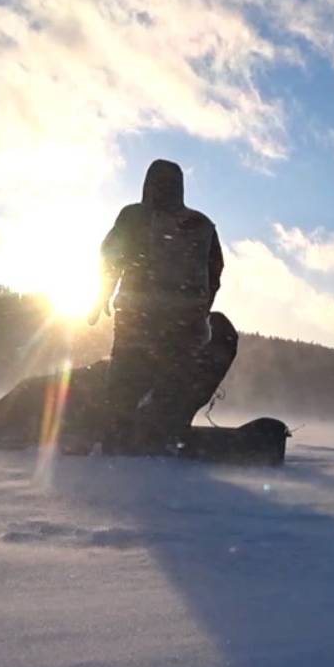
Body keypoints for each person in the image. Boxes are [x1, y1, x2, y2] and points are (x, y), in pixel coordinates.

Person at [89, 158, 224, 453]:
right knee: (172, 381)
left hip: (138, 318)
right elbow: (215, 273)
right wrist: (201, 308)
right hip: (186, 325)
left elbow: (110, 258)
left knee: (126, 381)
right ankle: (162, 436)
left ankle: (119, 442)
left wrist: (102, 295)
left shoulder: (134, 216)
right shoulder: (201, 224)